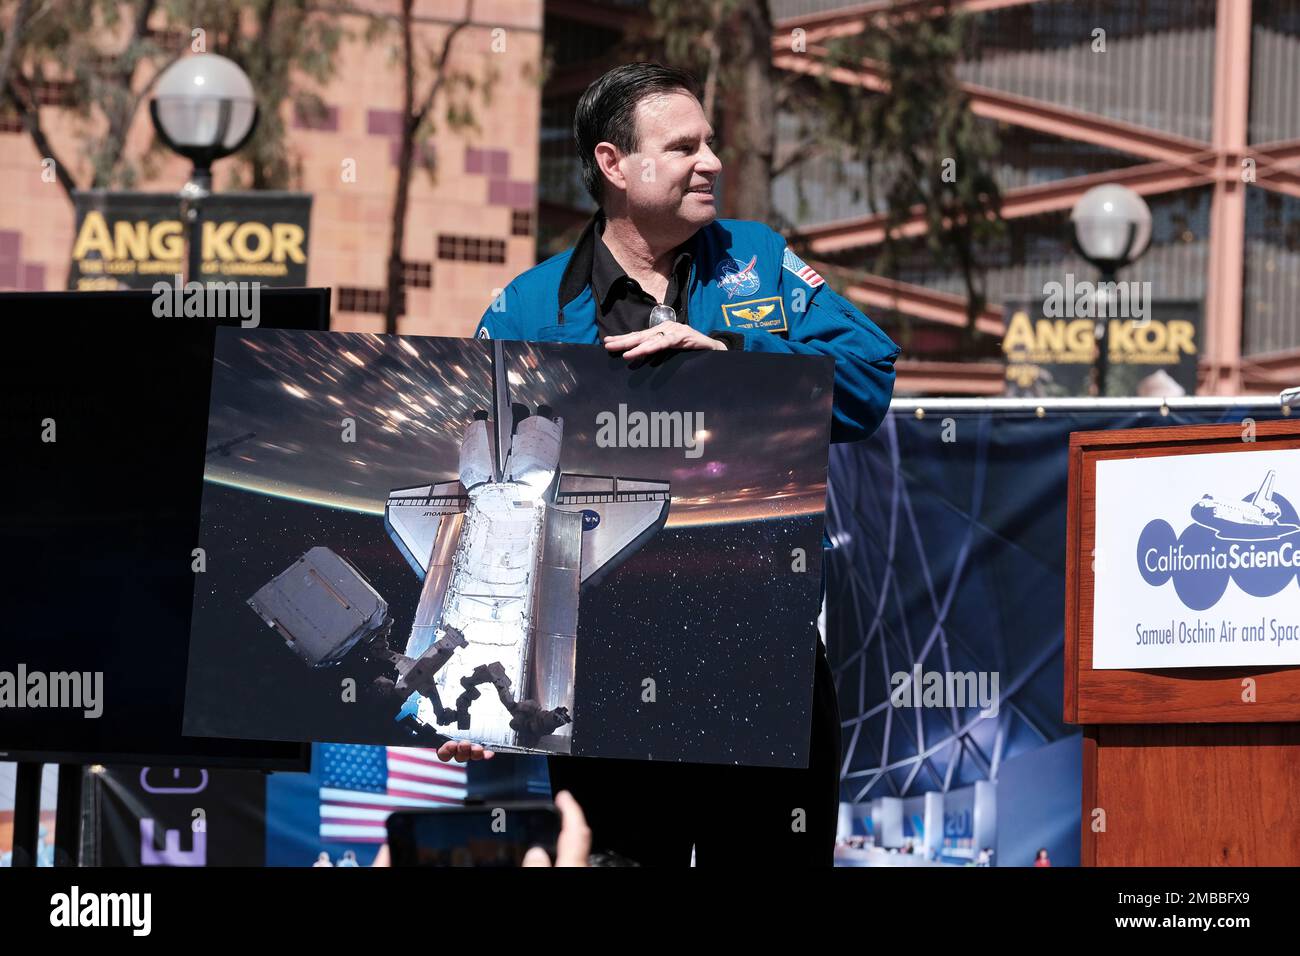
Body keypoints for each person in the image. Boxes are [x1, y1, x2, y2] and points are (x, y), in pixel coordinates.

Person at [436, 61, 900, 867]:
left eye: (711, 143)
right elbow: (484, 496)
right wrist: (470, 689)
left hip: (765, 664)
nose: (711, 162)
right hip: (599, 684)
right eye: (684, 147)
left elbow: (869, 382)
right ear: (614, 164)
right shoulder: (528, 307)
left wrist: (733, 355)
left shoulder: (756, 262)